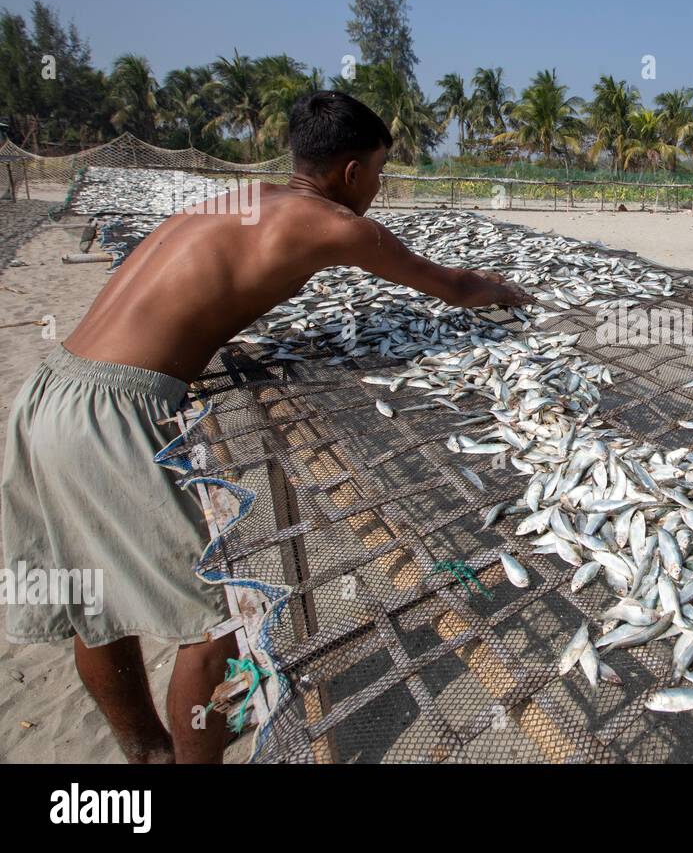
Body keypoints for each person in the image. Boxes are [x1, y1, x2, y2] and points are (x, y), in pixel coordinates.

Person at [1, 91, 530, 763]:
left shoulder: (242, 198)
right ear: (349, 172)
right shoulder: (338, 224)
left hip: (53, 388)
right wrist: (502, 290)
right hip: (118, 410)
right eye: (377, 173)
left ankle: (146, 753)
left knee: (91, 596)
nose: (377, 188)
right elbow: (451, 286)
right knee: (220, 619)